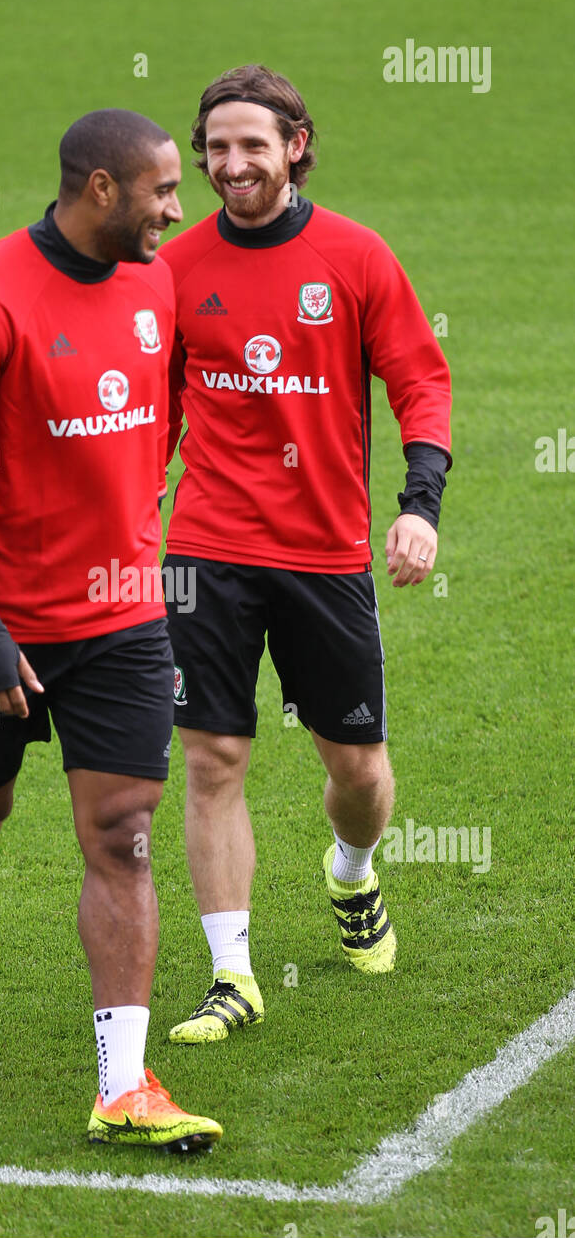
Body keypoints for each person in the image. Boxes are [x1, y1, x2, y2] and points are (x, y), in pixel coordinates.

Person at [0, 108, 221, 1149]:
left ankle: (121, 1086)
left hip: (124, 617)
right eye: (162, 191)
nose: (179, 210)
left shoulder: (156, 281)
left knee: (122, 837)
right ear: (99, 189)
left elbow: (164, 409)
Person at [159, 66, 452, 1043]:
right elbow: (149, 411)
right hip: (203, 549)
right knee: (213, 756)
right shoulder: (173, 265)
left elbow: (419, 380)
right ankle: (231, 970)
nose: (231, 163)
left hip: (324, 554)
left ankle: (351, 873)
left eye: (251, 144)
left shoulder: (354, 256)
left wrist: (418, 506)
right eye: (215, 146)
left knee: (357, 767)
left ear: (294, 143)